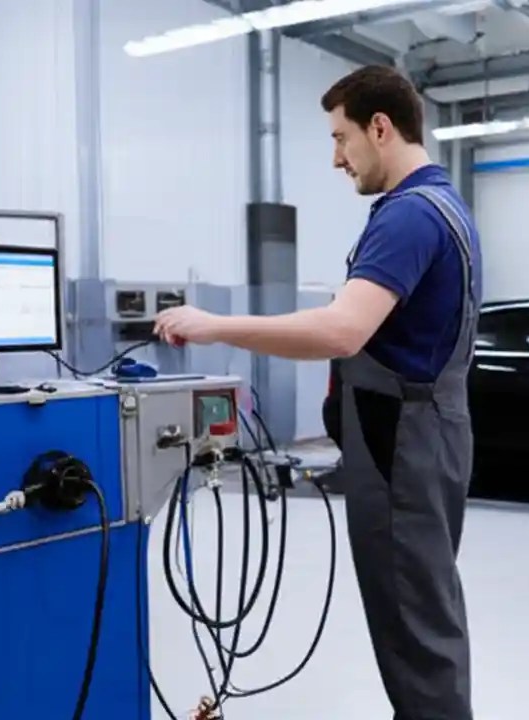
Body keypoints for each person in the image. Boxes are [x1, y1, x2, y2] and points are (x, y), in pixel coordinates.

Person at [154, 64, 481, 720]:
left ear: (380, 128)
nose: (336, 158)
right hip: (427, 440)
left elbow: (341, 330)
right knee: (422, 620)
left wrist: (213, 324)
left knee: (416, 632)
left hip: (402, 453)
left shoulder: (410, 216)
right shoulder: (444, 204)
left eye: (341, 138)